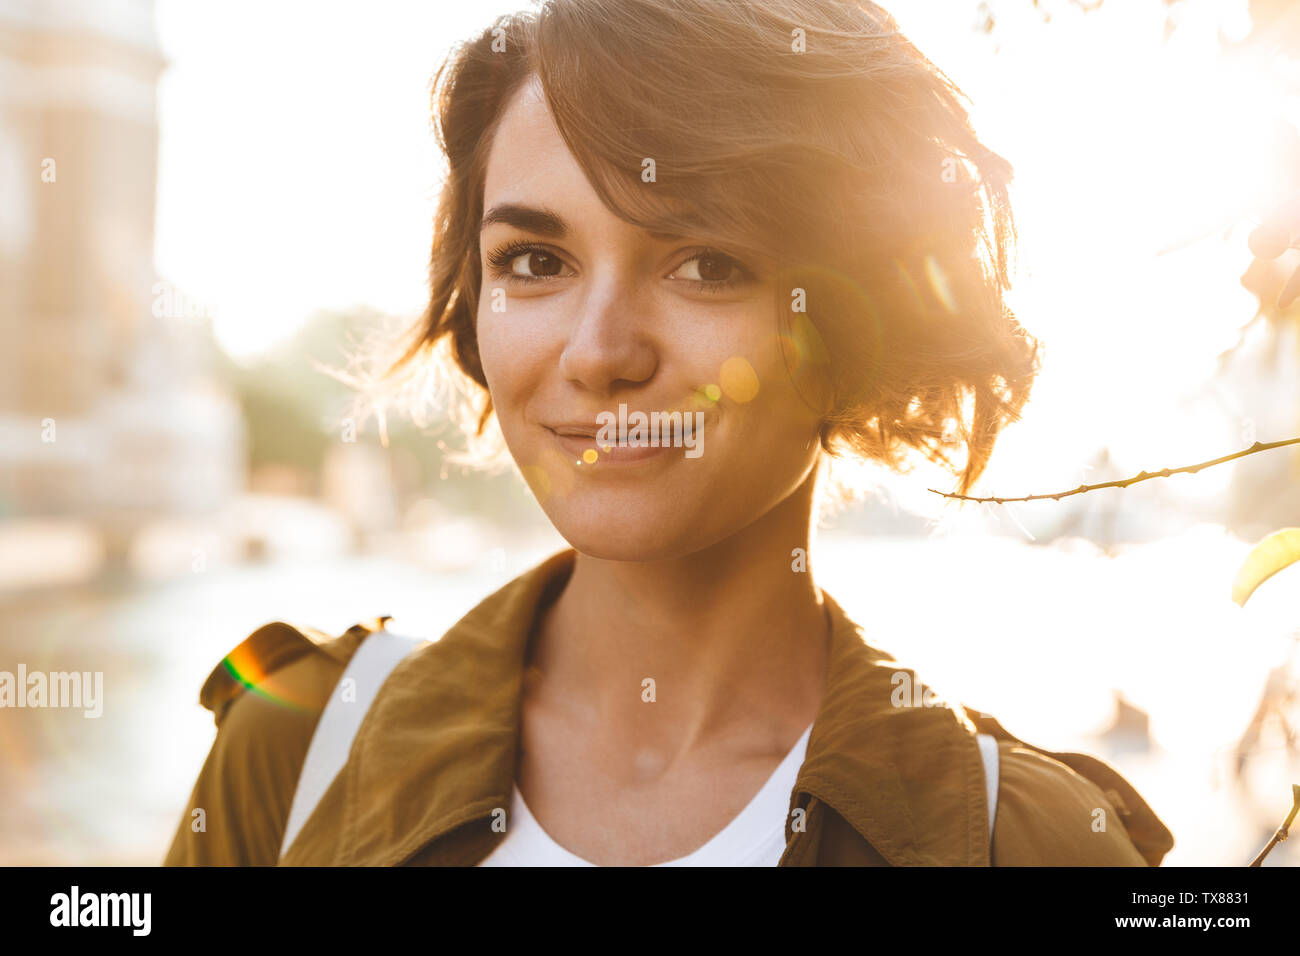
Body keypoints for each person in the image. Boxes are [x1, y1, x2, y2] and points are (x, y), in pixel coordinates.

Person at [165, 0, 1173, 866]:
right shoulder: (293, 751)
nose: (598, 351)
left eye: (707, 263)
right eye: (532, 260)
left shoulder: (1028, 840)